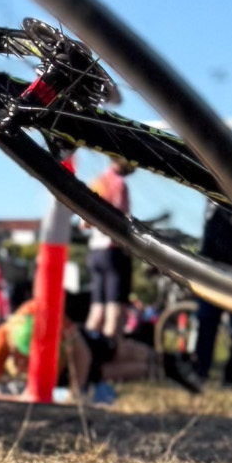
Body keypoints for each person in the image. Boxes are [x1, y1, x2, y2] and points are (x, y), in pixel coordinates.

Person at [173, 201, 232, 390]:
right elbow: (208, 235)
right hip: (214, 272)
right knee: (206, 323)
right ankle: (199, 371)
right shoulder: (213, 200)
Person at [82, 159, 134, 404]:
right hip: (113, 251)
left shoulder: (97, 181)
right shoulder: (120, 184)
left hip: (95, 251)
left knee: (96, 311)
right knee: (113, 314)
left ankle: (85, 364)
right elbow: (122, 221)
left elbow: (84, 221)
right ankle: (101, 373)